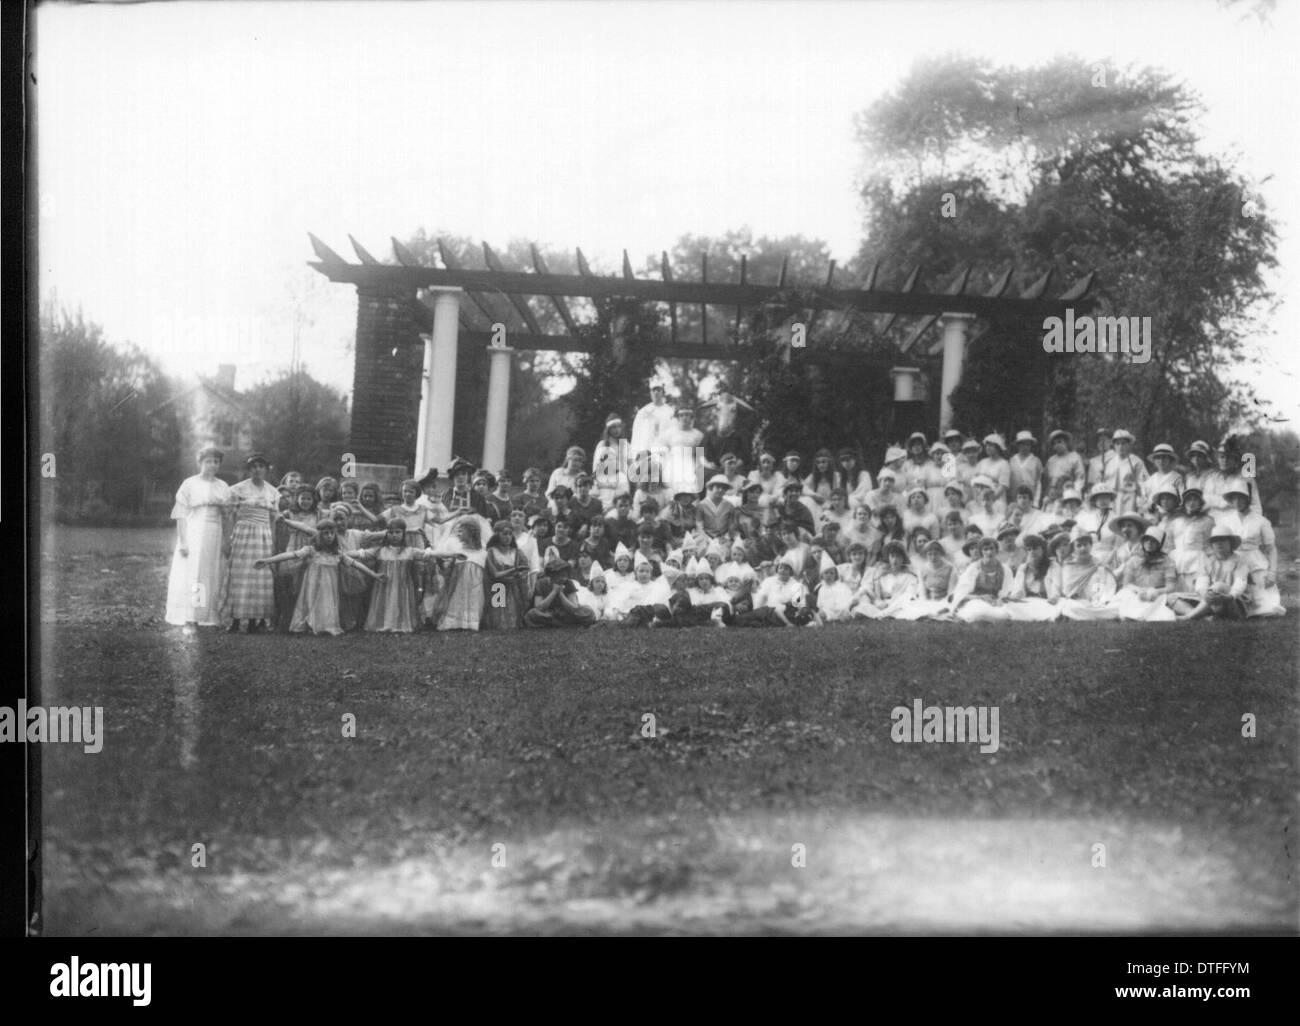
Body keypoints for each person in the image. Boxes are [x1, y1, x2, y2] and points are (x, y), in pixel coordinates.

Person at [255, 519, 383, 635]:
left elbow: (355, 564)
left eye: (332, 533)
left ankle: (325, 626)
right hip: (312, 585)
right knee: (311, 604)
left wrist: (374, 574)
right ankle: (310, 624)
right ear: (319, 535)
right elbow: (290, 555)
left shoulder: (337, 553)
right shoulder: (311, 550)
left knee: (327, 604)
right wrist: (268, 560)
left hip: (329, 588)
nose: (329, 536)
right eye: (325, 533)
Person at [165, 446, 233, 634]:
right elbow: (181, 515)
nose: (212, 465)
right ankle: (190, 618)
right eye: (208, 461)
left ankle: (207, 617)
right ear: (200, 463)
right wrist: (184, 542)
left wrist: (227, 540)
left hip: (214, 533)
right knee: (193, 575)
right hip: (194, 532)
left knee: (210, 574)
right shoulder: (190, 484)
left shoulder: (223, 486)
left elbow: (227, 517)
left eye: (216, 461)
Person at [223, 453, 280, 633]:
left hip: (263, 537)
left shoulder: (273, 492)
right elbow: (229, 516)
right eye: (253, 466)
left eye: (260, 466)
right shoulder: (237, 489)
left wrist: (273, 543)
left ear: (266, 469)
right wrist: (227, 540)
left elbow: (273, 520)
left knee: (260, 577)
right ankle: (236, 621)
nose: (257, 469)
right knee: (240, 576)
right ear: (249, 470)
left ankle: (257, 620)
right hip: (243, 535)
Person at [349, 520, 437, 633]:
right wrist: (340, 554)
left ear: (403, 534)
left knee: (400, 603)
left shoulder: (410, 551)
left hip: (403, 586)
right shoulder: (380, 551)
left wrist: (453, 554)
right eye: (391, 532)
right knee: (385, 603)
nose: (394, 535)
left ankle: (401, 624)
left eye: (397, 532)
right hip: (384, 586)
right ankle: (383, 623)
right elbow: (360, 554)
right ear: (387, 534)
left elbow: (430, 554)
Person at [1218, 481, 1285, 618]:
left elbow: (1271, 549)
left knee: (1268, 609)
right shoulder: (1225, 520)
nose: (1237, 501)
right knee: (1229, 595)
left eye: (1241, 497)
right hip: (1233, 562)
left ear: (1248, 498)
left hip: (1255, 564)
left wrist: (1272, 572)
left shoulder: (1261, 521)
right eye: (1234, 497)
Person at [1171, 528, 1248, 620]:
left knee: (1218, 586)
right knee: (1171, 597)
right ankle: (1205, 618)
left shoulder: (1239, 561)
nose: (1219, 543)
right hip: (1212, 600)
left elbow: (1240, 584)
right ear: (1212, 545)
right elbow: (1201, 583)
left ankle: (1188, 617)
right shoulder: (1209, 561)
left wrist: (1229, 596)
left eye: (1223, 540)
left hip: (1232, 601)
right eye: (1215, 541)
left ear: (1230, 543)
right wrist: (1205, 594)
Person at [430, 519, 488, 631]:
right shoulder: (456, 551)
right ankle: (454, 622)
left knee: (473, 602)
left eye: (461, 531)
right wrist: (441, 563)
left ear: (471, 532)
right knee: (456, 602)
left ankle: (471, 623)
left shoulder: (483, 553)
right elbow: (448, 570)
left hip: (476, 588)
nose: (458, 534)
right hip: (457, 587)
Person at [1114, 526, 1177, 621]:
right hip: (1137, 594)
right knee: (1125, 594)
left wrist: (1156, 592)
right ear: (1142, 542)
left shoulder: (1167, 561)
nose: (1149, 543)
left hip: (1157, 595)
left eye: (1153, 541)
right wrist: (1139, 590)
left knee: (1166, 614)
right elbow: (1126, 584)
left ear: (1159, 544)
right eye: (1146, 540)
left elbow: (1171, 587)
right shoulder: (1134, 560)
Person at [1053, 533, 1119, 621]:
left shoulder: (1099, 564)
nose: (1083, 548)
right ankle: (1093, 615)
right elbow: (1067, 590)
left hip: (1097, 602)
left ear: (1091, 546)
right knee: (1067, 605)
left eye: (1085, 544)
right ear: (1074, 548)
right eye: (1079, 546)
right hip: (1077, 602)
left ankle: (1088, 614)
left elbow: (1109, 585)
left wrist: (1100, 600)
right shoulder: (1069, 566)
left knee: (1115, 606)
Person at [951, 537, 1013, 622]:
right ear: (981, 552)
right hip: (976, 600)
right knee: (979, 611)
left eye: (992, 548)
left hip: (997, 601)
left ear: (996, 551)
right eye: (985, 549)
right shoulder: (973, 568)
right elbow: (961, 593)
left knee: (1009, 610)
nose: (989, 552)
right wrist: (980, 597)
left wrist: (1000, 600)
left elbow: (1008, 590)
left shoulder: (1005, 569)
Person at [892, 539, 957, 621]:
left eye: (935, 554)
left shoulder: (950, 568)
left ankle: (935, 613)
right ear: (926, 555)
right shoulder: (923, 569)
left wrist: (945, 603)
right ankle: (931, 613)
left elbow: (951, 592)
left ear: (940, 553)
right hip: (928, 602)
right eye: (930, 554)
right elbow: (922, 591)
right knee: (910, 605)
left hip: (944, 601)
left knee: (946, 609)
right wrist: (925, 603)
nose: (933, 557)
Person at [525, 556, 598, 628]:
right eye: (559, 575)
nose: (563, 578)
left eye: (565, 575)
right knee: (532, 614)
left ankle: (554, 624)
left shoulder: (568, 583)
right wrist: (553, 592)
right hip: (548, 613)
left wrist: (561, 594)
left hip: (566, 613)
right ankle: (565, 624)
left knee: (589, 612)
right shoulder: (540, 583)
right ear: (551, 575)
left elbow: (574, 608)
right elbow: (539, 607)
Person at [853, 541, 918, 619]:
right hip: (884, 605)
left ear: (903, 559)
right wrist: (879, 601)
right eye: (892, 556)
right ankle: (880, 613)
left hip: (900, 605)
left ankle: (883, 614)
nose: (895, 560)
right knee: (863, 604)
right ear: (888, 558)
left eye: (898, 557)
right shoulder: (882, 575)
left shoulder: (910, 577)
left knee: (907, 600)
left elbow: (909, 594)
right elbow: (877, 595)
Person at [1004, 534, 1059, 621]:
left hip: (1047, 601)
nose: (1032, 552)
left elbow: (1057, 586)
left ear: (1043, 549)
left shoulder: (1053, 565)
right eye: (1029, 549)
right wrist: (1012, 598)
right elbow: (1018, 590)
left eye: (1035, 548)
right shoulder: (1023, 568)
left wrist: (1054, 598)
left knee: (1060, 606)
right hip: (1029, 601)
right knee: (1009, 606)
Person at [1104, 430, 1149, 514]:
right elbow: (1106, 481)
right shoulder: (1110, 462)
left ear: (1129, 445)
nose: (1120, 446)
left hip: (1129, 498)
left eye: (1123, 443)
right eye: (1117, 444)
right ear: (1114, 446)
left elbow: (1143, 483)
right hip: (1112, 498)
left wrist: (1142, 502)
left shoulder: (1136, 461)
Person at [630, 379, 676, 459]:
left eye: (658, 390)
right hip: (646, 452)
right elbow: (636, 435)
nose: (656, 392)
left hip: (664, 453)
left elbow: (674, 434)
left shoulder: (670, 412)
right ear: (650, 393)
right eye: (653, 390)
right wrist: (634, 454)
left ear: (663, 392)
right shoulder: (643, 412)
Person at [1044, 430, 1085, 511]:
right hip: (1053, 496)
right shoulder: (1051, 461)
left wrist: (1074, 493)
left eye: (1060, 442)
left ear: (1066, 442)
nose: (1057, 445)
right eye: (1054, 443)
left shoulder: (1074, 457)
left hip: (1069, 495)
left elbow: (1080, 478)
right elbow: (1047, 481)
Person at [812, 553, 856, 624]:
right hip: (828, 610)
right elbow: (820, 604)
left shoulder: (841, 586)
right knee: (822, 614)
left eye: (831, 573)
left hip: (841, 609)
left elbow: (848, 599)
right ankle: (824, 618)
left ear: (835, 575)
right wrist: (822, 610)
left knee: (845, 615)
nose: (829, 575)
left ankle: (843, 617)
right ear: (822, 576)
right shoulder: (822, 589)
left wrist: (845, 608)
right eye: (826, 573)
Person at [1143, 444, 1183, 515]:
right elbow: (1144, 499)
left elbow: (1181, 500)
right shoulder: (1150, 479)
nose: (1161, 461)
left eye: (1164, 457)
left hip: (1170, 515)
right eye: (1158, 458)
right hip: (1151, 515)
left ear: (1170, 460)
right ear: (1154, 460)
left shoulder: (1177, 478)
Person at [1008, 431, 1044, 507]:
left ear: (1031, 445)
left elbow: (1039, 483)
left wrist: (1036, 501)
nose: (1025, 447)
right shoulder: (1012, 461)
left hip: (1030, 499)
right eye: (1022, 444)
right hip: (1014, 499)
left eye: (1027, 444)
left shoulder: (1036, 461)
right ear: (1018, 445)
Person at [975, 434, 1011, 503]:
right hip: (981, 500)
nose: (988, 448)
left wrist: (991, 500)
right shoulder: (982, 462)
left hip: (997, 500)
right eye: (987, 445)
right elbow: (975, 482)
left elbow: (1003, 486)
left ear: (998, 447)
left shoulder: (1004, 464)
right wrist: (979, 498)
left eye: (991, 445)